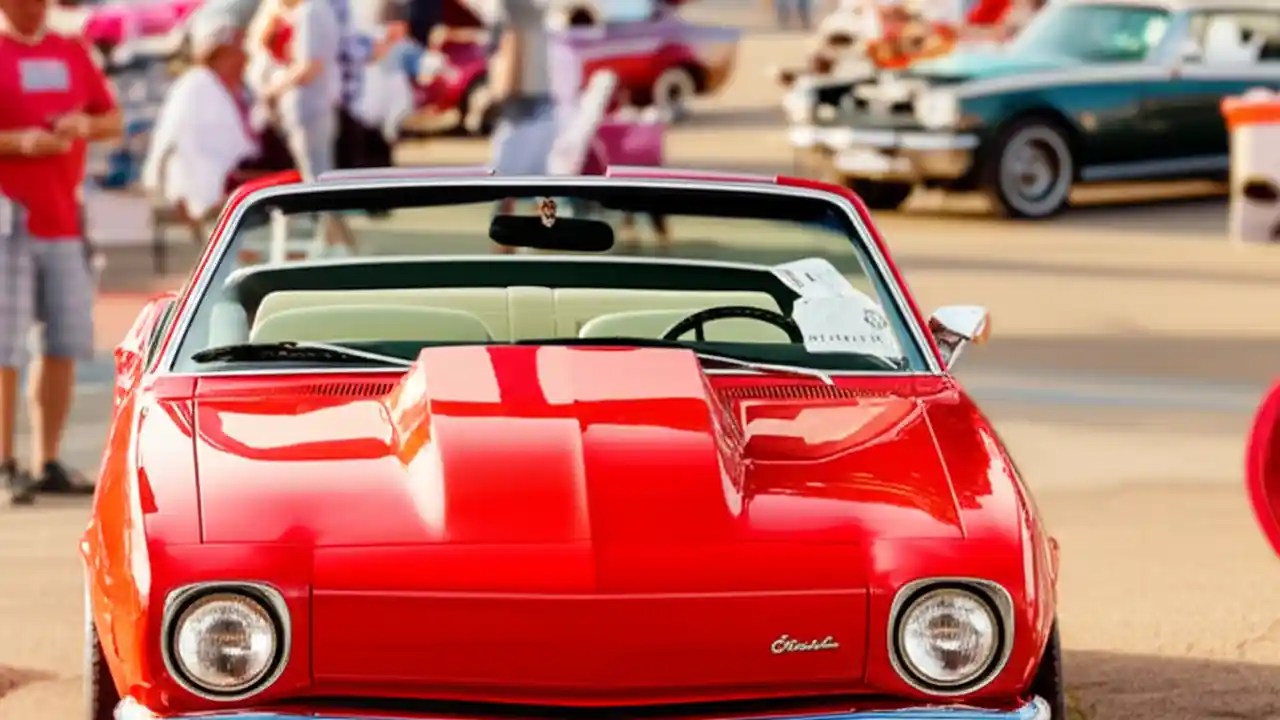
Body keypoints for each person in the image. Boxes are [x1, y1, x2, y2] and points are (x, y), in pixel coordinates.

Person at [0, 0, 123, 505]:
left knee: (66, 341)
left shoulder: (70, 50)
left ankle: (46, 459)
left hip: (62, 218)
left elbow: (111, 118)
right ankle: (6, 461)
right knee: (5, 346)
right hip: (9, 218)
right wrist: (19, 143)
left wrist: (83, 128)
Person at [141, 12, 259, 231]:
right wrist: (155, 182)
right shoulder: (195, 86)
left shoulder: (243, 90)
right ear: (218, 55)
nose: (244, 58)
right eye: (236, 52)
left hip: (240, 186)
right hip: (205, 191)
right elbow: (168, 136)